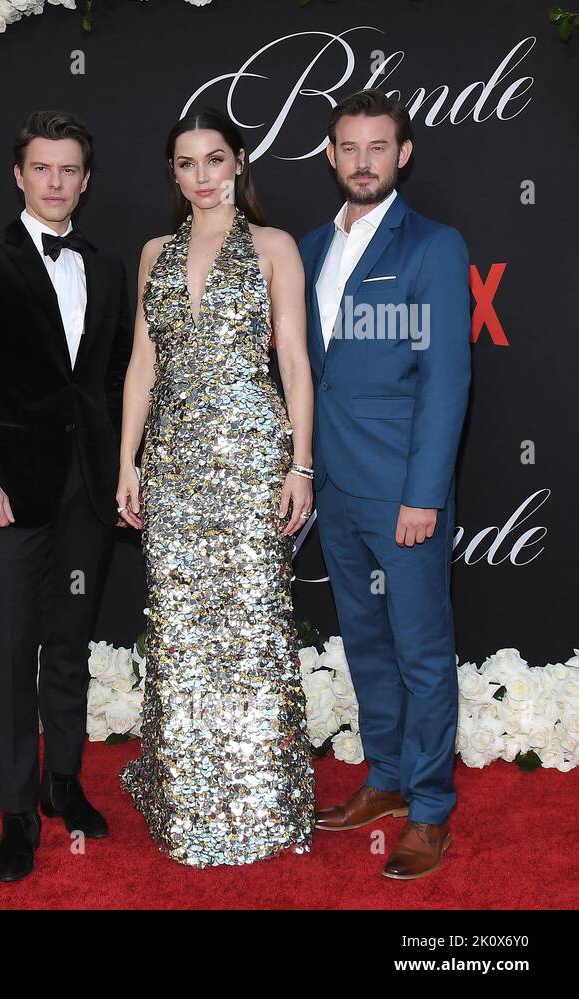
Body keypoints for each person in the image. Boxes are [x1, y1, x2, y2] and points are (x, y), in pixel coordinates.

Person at [115, 107, 317, 867]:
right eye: (186, 164)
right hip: (171, 463)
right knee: (182, 634)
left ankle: (263, 802)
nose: (203, 176)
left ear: (239, 162)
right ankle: (188, 799)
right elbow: (143, 364)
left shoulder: (275, 248)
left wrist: (301, 463)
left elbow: (294, 361)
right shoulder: (152, 254)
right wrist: (126, 461)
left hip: (250, 463)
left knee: (252, 631)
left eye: (215, 159)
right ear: (173, 174)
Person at [0, 109, 133, 882]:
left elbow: (117, 383)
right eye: (41, 168)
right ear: (19, 175)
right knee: (12, 653)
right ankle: (16, 812)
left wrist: (124, 471)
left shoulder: (110, 268)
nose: (55, 182)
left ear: (86, 180)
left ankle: (62, 783)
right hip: (7, 494)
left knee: (69, 647)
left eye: (69, 170)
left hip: (87, 488)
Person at [302, 89, 470, 880]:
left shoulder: (432, 246)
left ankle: (431, 807)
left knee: (423, 651)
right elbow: (309, 375)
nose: (361, 161)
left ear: (402, 155)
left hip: (401, 487)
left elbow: (445, 381)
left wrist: (425, 495)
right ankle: (388, 779)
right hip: (331, 484)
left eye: (378, 147)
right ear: (331, 155)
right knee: (366, 641)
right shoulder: (306, 249)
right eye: (348, 147)